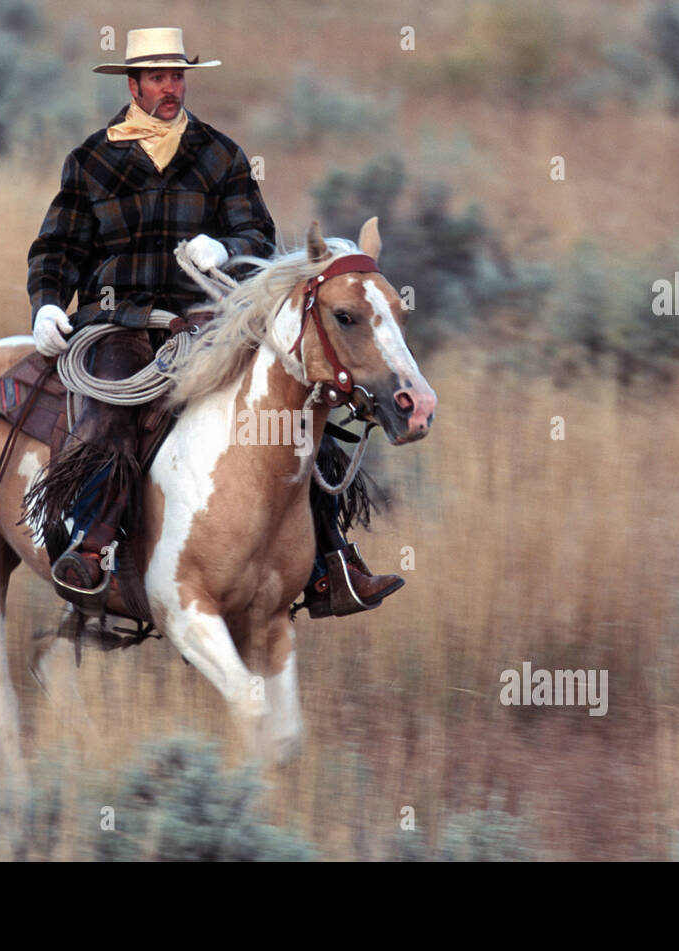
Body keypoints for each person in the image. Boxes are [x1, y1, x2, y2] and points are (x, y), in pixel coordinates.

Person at [26, 27, 403, 617]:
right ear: (133, 85)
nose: (170, 88)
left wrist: (225, 249)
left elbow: (257, 232)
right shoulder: (91, 160)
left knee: (300, 415)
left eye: (177, 76)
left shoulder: (220, 153)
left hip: (203, 321)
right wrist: (48, 302)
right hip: (117, 320)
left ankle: (334, 561)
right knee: (111, 421)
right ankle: (91, 547)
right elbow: (57, 248)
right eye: (157, 78)